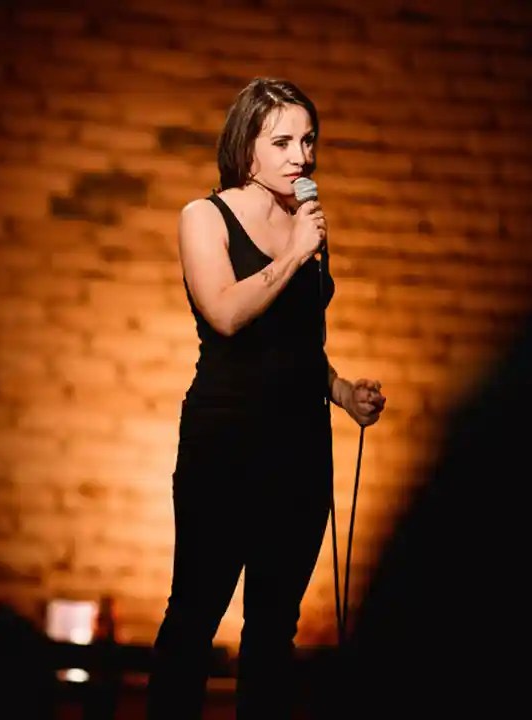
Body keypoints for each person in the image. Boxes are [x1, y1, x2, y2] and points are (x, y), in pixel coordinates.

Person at [146, 77, 386, 719]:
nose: (300, 156)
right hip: (227, 437)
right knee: (195, 612)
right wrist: (294, 255)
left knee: (275, 627)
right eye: (282, 142)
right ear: (245, 144)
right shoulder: (205, 217)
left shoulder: (307, 225)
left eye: (308, 141)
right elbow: (226, 313)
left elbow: (297, 342)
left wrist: (342, 391)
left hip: (300, 443)